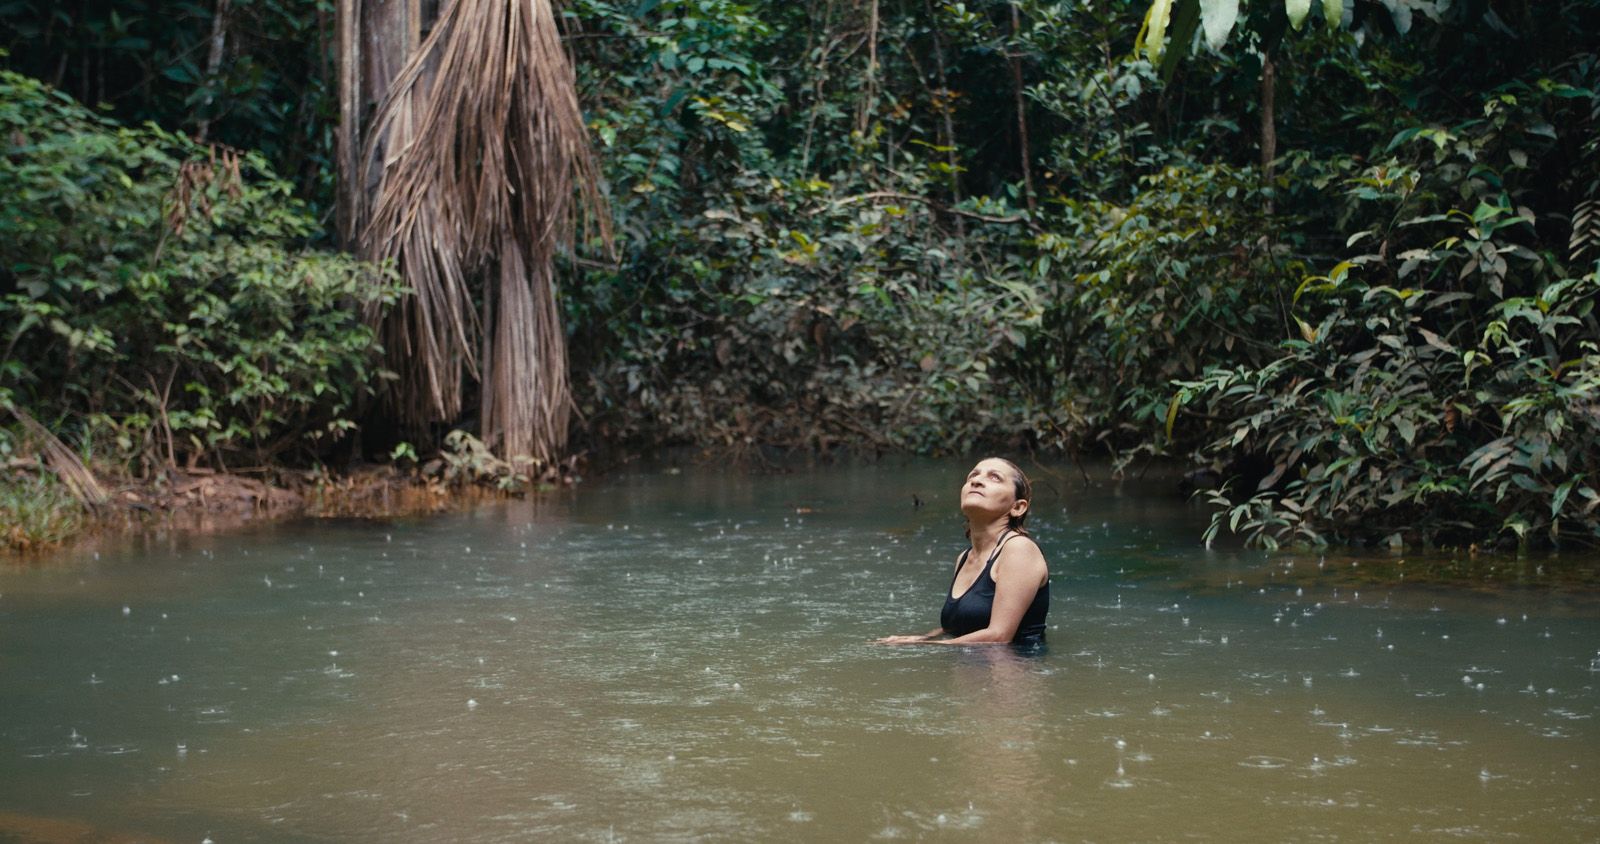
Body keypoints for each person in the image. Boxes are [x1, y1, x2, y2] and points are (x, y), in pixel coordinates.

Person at [878, 457, 1050, 647]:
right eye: (973, 476)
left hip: (1013, 670)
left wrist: (926, 647)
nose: (976, 481)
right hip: (970, 667)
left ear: (1017, 507)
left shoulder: (1019, 549)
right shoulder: (964, 558)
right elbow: (962, 625)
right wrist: (925, 637)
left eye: (995, 478)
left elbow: (999, 636)